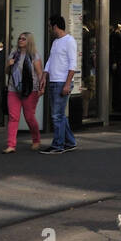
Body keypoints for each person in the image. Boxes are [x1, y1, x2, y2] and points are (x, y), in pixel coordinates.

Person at [41, 15, 78, 154]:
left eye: (50, 25)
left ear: (55, 26)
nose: (49, 28)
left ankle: (58, 145)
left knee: (56, 115)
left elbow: (73, 65)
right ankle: (70, 142)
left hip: (62, 82)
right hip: (54, 81)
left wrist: (67, 84)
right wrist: (44, 75)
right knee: (60, 115)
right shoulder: (56, 42)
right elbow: (50, 60)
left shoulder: (69, 41)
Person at [3, 31, 44, 153]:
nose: (20, 40)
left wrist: (42, 88)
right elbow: (7, 72)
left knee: (29, 117)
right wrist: (8, 65)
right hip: (13, 89)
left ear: (29, 41)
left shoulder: (34, 55)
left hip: (30, 90)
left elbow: (39, 73)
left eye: (23, 39)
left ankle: (36, 140)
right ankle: (11, 145)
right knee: (13, 117)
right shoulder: (13, 54)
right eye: (19, 38)